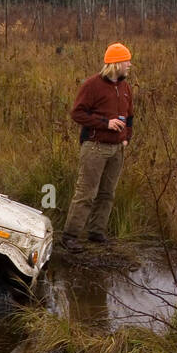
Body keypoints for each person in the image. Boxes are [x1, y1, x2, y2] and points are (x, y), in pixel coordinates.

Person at [60, 42, 133, 251]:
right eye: (127, 60)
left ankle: (96, 232)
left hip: (117, 149)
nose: (130, 64)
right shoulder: (92, 85)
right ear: (116, 63)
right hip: (94, 147)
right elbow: (77, 113)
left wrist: (126, 137)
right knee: (86, 193)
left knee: (107, 193)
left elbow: (130, 117)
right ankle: (69, 236)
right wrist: (105, 123)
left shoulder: (125, 87)